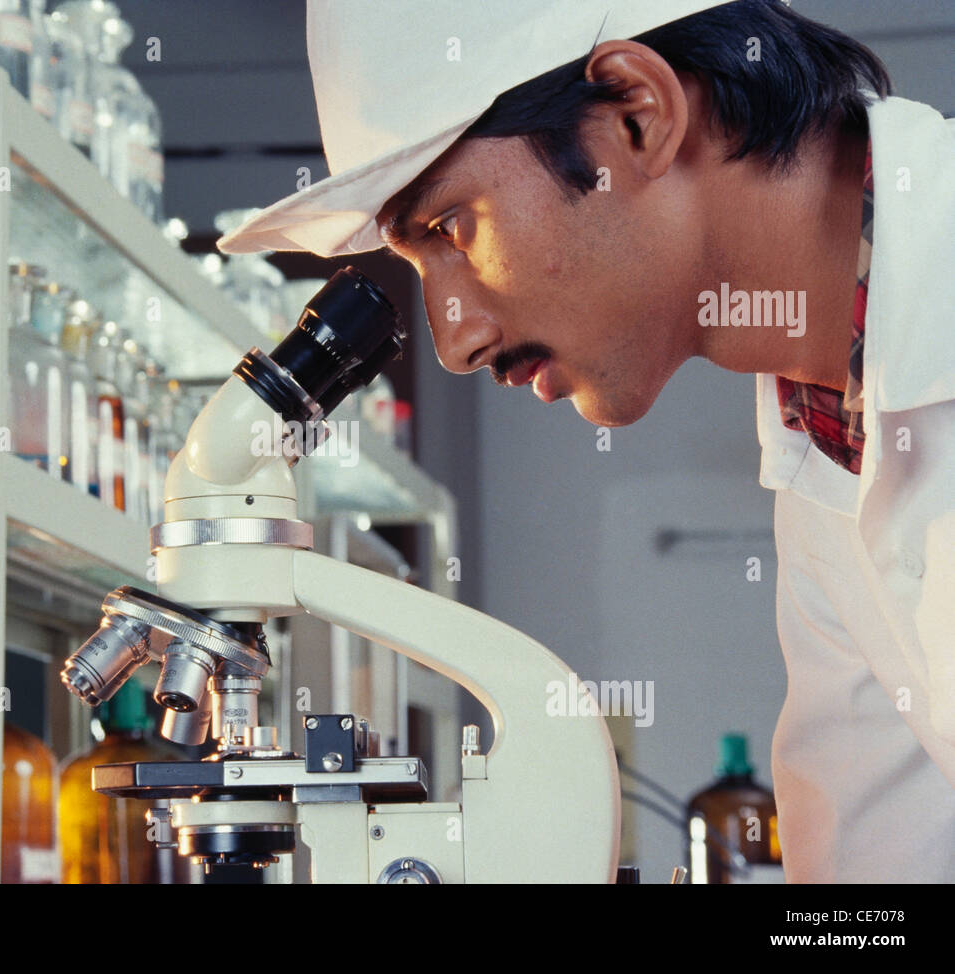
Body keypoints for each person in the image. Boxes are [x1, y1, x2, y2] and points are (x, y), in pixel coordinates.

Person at [218, 0, 955, 882]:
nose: (454, 344)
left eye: (452, 227)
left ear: (639, 115)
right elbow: (871, 879)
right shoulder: (824, 427)